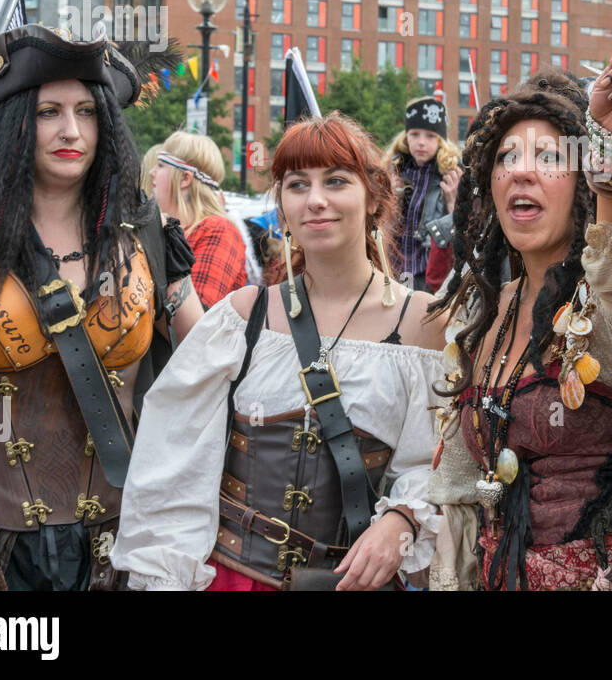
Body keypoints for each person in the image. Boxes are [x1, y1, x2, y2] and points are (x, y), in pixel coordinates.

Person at [0, 24, 202, 591]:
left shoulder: (142, 238)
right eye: (49, 112)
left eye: (87, 112)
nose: (71, 130)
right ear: (16, 124)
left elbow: (212, 365)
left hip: (119, 543)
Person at [112, 112, 446, 590]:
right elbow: (172, 463)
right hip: (233, 578)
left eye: (335, 181)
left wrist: (404, 521)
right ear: (282, 205)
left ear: (374, 196)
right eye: (296, 185)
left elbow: (438, 462)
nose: (315, 200)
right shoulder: (243, 317)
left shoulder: (423, 324)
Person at [427, 25, 612, 591]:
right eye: (506, 157)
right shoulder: (482, 317)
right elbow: (457, 495)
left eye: (549, 156)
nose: (522, 170)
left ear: (584, 181)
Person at [150, 131, 247, 308]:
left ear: (185, 179)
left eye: (161, 165)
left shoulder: (218, 230)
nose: (151, 172)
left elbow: (198, 322)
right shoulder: (164, 230)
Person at [386, 97, 461, 292]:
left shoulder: (452, 174)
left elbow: (463, 233)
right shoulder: (392, 171)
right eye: (415, 134)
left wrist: (454, 202)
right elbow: (376, 225)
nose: (421, 142)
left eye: (430, 136)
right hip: (392, 269)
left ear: (441, 140)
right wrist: (389, 197)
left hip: (430, 272)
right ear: (406, 136)